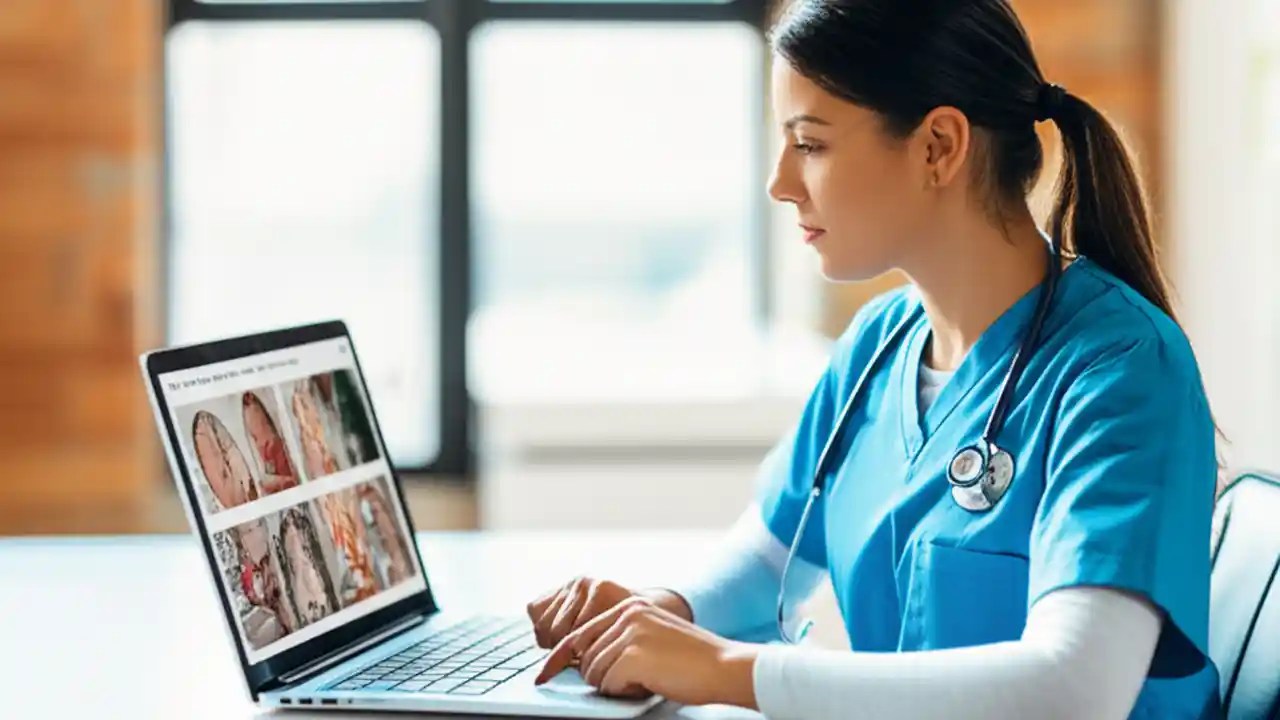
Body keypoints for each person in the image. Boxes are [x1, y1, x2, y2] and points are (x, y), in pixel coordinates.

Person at [526, 1, 1221, 718]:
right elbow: (770, 558)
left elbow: (1074, 687)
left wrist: (731, 670)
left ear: (938, 146)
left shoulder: (1122, 373)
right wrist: (659, 616)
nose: (780, 183)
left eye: (811, 144)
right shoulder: (877, 345)